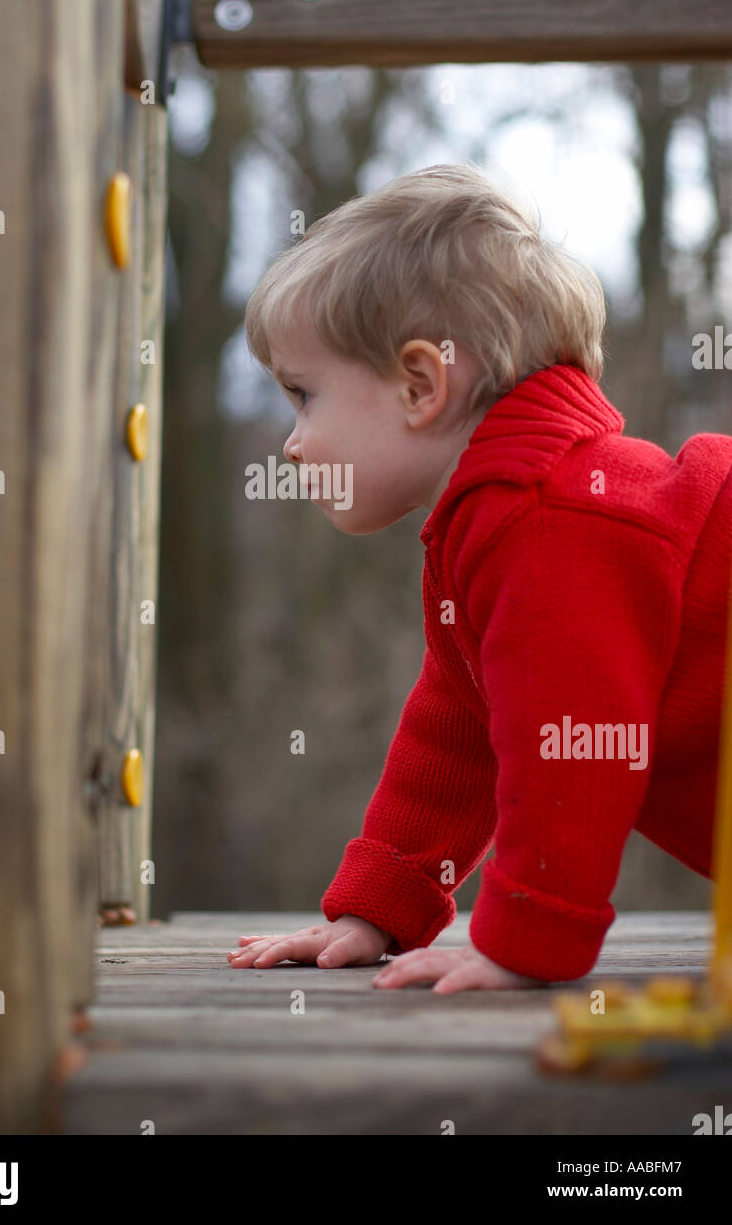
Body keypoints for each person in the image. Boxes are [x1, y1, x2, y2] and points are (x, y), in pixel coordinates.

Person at [227, 162, 732, 994]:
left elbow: (571, 744)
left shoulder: (559, 525)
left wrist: (522, 939)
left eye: (302, 397)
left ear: (421, 384)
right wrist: (376, 910)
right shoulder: (495, 526)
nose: (291, 444)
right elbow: (456, 732)